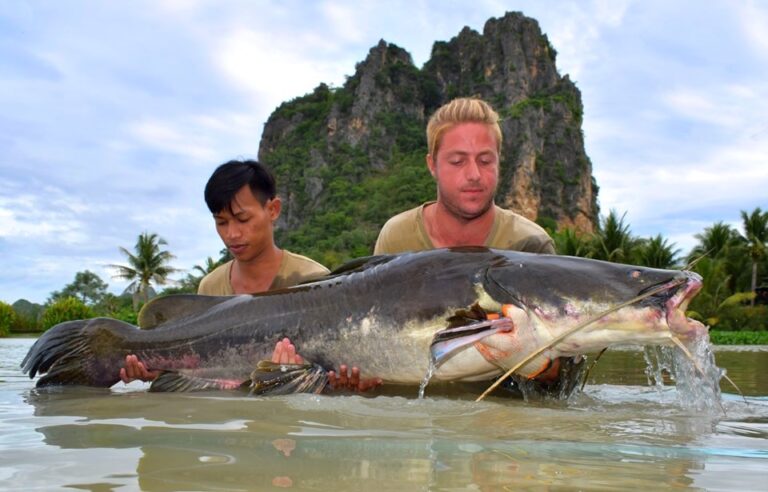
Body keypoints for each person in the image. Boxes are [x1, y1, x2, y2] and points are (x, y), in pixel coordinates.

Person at [373, 97, 581, 395]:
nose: (474, 174)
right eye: (457, 161)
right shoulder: (397, 236)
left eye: (485, 161)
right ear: (432, 165)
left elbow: (563, 384)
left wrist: (538, 365)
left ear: (499, 163)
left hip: (500, 414)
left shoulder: (530, 245)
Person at [120, 160, 381, 392]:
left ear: (273, 209)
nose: (232, 234)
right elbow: (195, 375)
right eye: (221, 222)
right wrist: (155, 369)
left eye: (242, 219)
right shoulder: (211, 285)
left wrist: (334, 383)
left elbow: (330, 373)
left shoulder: (316, 281)